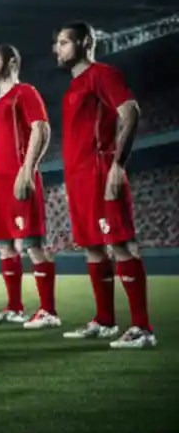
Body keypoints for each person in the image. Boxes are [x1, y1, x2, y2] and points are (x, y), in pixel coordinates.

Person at [54, 22, 154, 348]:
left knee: (121, 244)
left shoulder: (102, 74)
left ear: (85, 42)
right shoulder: (73, 86)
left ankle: (142, 328)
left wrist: (117, 166)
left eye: (64, 42)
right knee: (93, 248)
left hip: (100, 172)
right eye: (57, 43)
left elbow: (130, 112)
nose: (57, 48)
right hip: (79, 179)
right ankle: (105, 320)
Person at [0, 45, 59, 328]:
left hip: (19, 179)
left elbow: (41, 128)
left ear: (11, 62)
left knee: (33, 245)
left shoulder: (24, 92)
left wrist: (27, 170)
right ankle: (14, 308)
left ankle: (49, 312)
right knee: (5, 247)